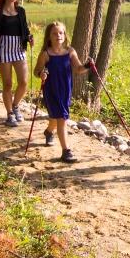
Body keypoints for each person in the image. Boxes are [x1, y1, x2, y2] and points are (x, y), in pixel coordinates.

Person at [33, 21, 91, 163]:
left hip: (65, 89)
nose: (58, 35)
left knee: (56, 117)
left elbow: (78, 69)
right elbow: (36, 71)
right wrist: (42, 73)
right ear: (49, 37)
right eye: (54, 33)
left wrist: (87, 66)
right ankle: (66, 151)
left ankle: (48, 132)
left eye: (61, 33)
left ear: (65, 35)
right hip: (51, 89)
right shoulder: (46, 54)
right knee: (61, 118)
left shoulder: (70, 52)